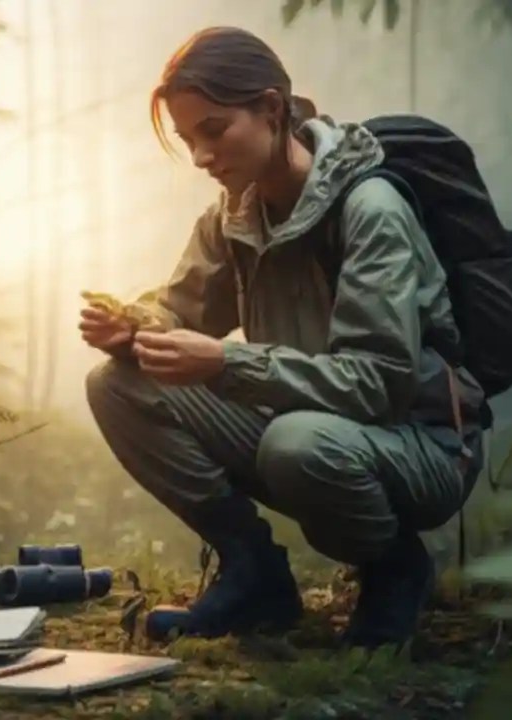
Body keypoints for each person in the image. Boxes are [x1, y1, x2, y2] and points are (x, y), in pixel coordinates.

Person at [79, 26, 487, 651]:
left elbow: (377, 384)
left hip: (420, 443)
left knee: (297, 444)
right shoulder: (234, 214)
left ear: (272, 109)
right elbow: (179, 313)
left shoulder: (369, 209)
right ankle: (256, 575)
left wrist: (225, 360)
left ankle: (394, 569)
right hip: (303, 427)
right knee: (117, 384)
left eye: (214, 130)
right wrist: (132, 330)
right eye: (189, 140)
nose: (201, 157)